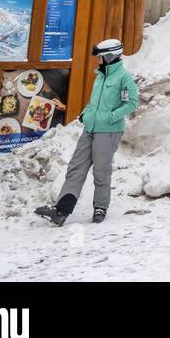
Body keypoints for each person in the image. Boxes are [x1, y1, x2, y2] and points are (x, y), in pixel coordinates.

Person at [35, 39, 139, 226]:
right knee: (76, 167)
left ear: (110, 56)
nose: (98, 61)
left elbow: (131, 104)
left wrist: (111, 117)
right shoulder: (100, 76)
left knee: (101, 171)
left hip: (108, 131)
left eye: (100, 57)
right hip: (89, 129)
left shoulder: (125, 78)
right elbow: (94, 102)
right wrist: (85, 114)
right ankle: (61, 211)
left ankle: (100, 207)